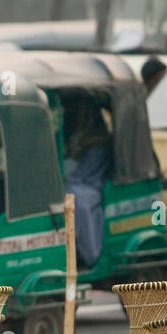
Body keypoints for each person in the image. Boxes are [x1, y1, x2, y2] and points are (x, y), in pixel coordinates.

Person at [63, 102, 112, 268]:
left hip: (90, 184)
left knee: (76, 199)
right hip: (77, 180)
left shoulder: (98, 141)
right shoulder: (78, 136)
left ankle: (89, 252)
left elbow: (85, 172)